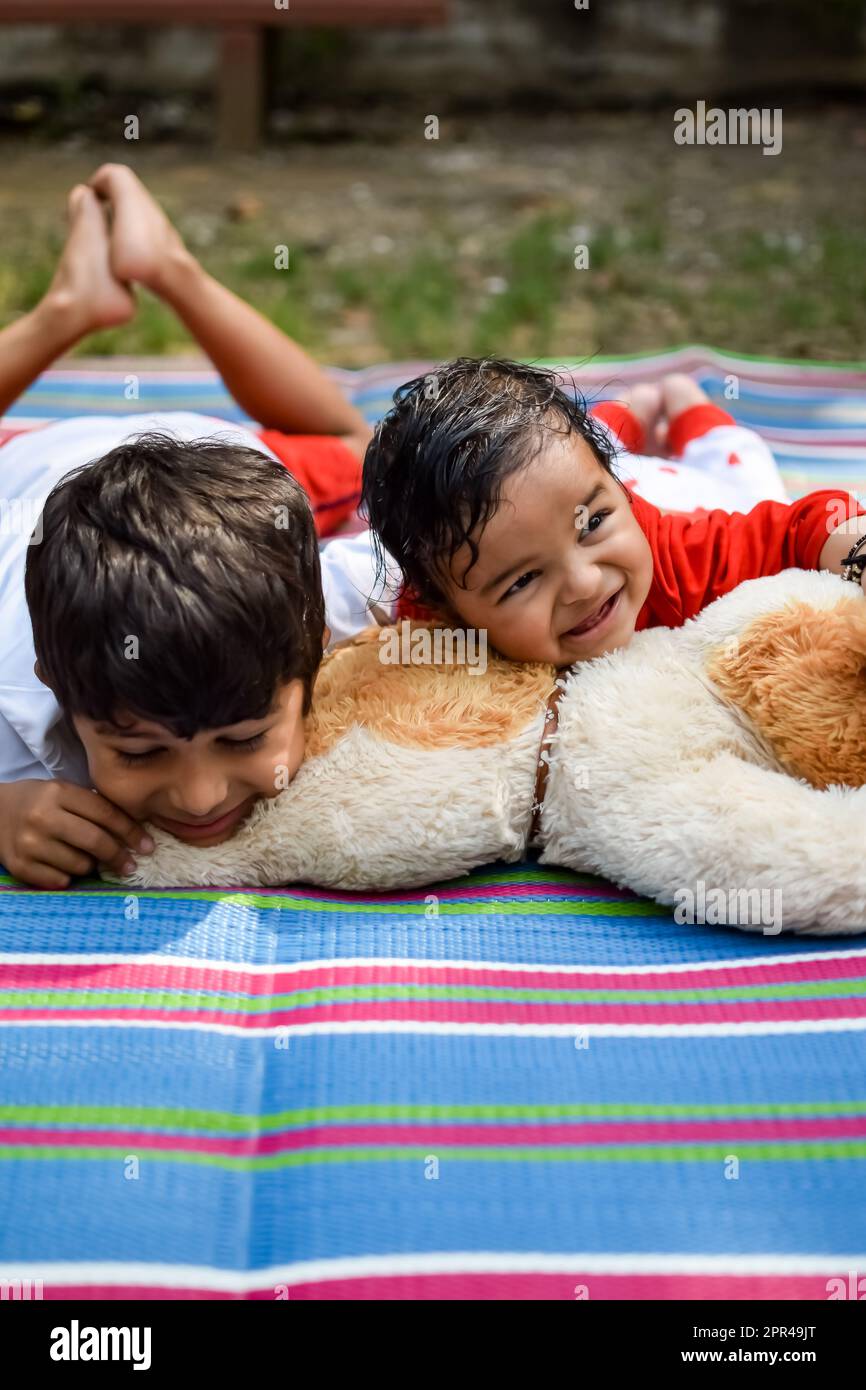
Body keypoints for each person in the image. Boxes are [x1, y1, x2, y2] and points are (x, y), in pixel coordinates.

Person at [0, 164, 375, 888]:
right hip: (29, 477)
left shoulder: (332, 593)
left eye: (243, 738)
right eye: (139, 753)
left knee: (364, 448)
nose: (201, 796)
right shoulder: (11, 694)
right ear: (54, 686)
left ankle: (167, 268)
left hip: (216, 461)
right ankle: (70, 307)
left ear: (318, 648)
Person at [360, 356, 866, 666]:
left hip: (685, 487)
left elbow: (802, 526)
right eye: (522, 580)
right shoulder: (434, 626)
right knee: (582, 449)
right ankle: (625, 418)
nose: (583, 584)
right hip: (583, 480)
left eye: (595, 525)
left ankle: (683, 404)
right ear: (449, 608)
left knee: (743, 465)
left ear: (615, 493)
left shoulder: (684, 556)